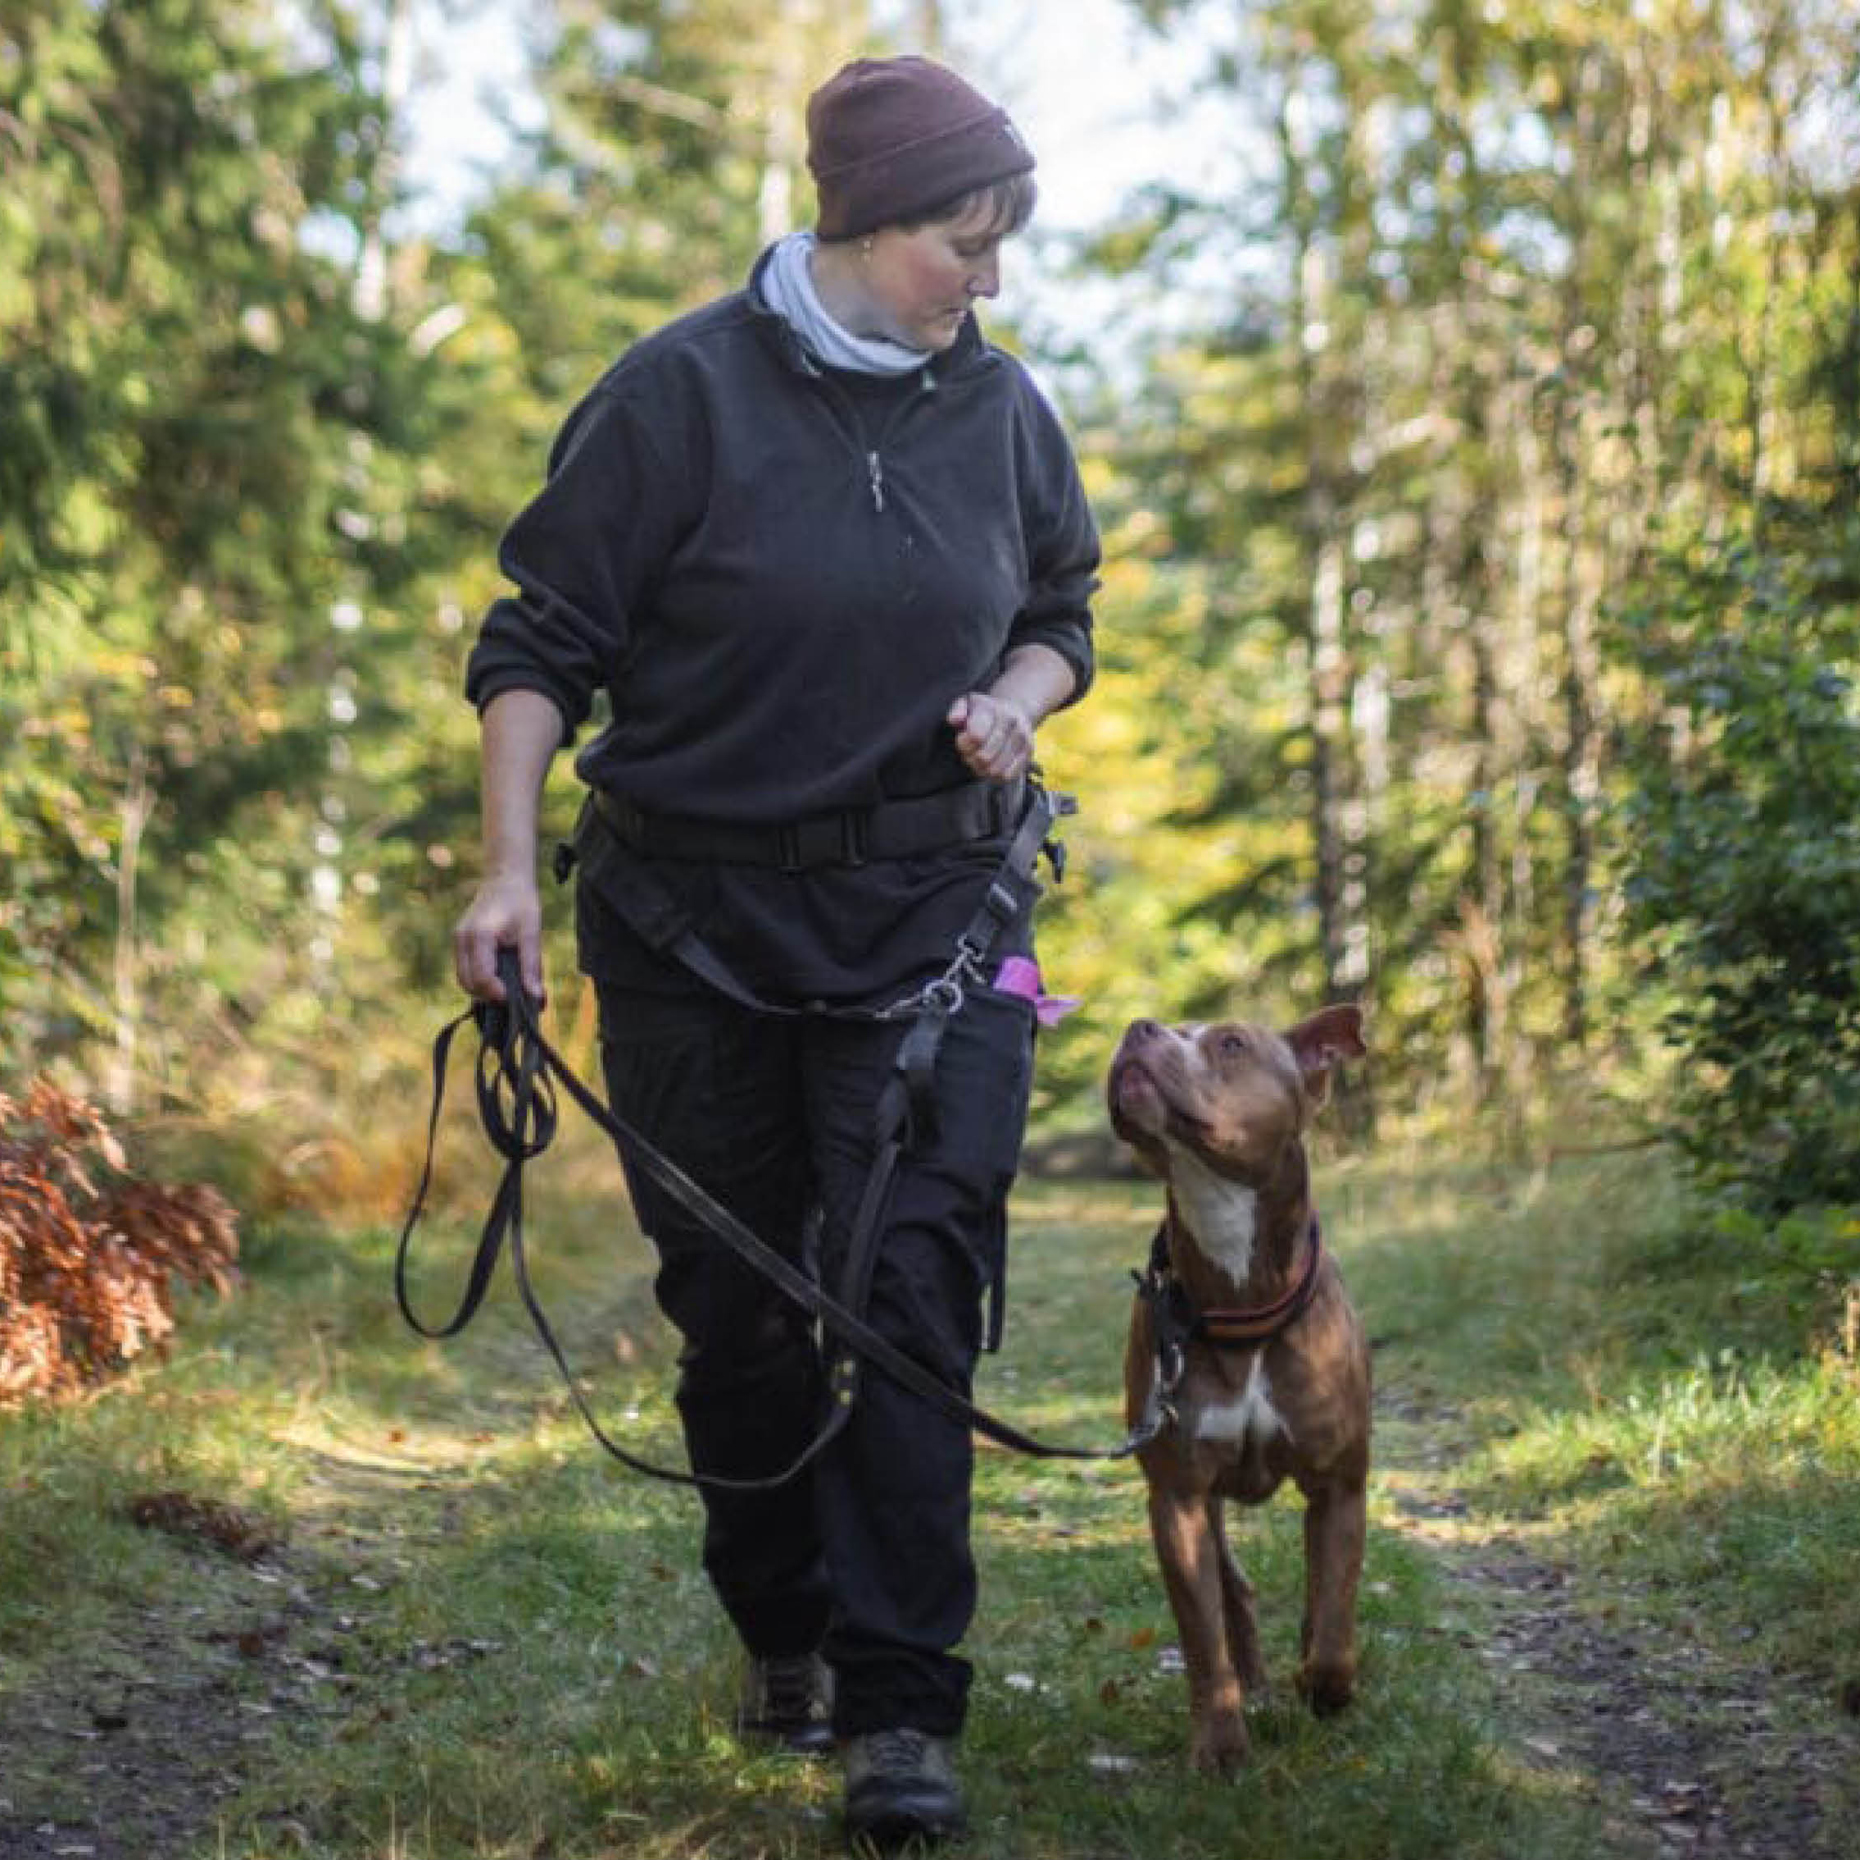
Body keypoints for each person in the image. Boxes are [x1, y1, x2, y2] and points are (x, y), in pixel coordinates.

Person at [452, 52, 1098, 1851]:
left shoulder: (1007, 411)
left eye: (1000, 241)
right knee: (739, 1312)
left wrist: (1015, 703)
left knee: (907, 1297)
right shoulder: (675, 399)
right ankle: (784, 1627)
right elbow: (535, 648)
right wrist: (508, 875)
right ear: (864, 219)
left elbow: (1063, 612)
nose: (989, 276)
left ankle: (905, 1709)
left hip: (938, 921)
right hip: (689, 931)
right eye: (965, 241)